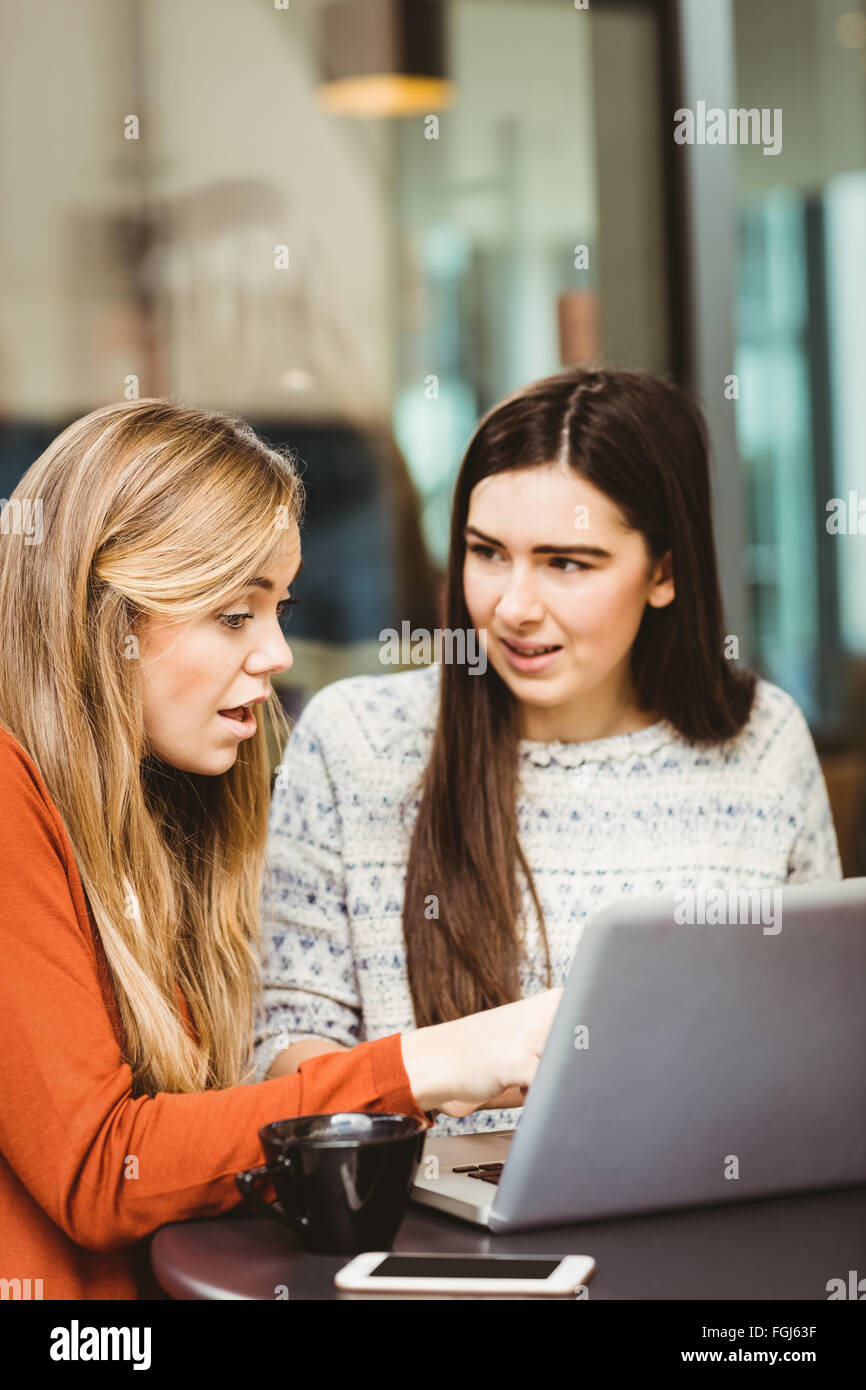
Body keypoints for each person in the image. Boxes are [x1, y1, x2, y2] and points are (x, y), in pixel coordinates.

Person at [0, 398, 561, 1300]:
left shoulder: (167, 799)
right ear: (107, 618)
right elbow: (107, 1170)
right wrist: (426, 1065)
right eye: (234, 615)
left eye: (280, 608)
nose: (276, 654)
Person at [255, 367, 842, 1135]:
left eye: (567, 563)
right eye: (487, 552)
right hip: (425, 1232)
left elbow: (817, 1039)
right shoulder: (356, 743)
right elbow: (284, 1058)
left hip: (698, 1207)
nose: (514, 608)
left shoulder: (763, 742)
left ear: (664, 571)